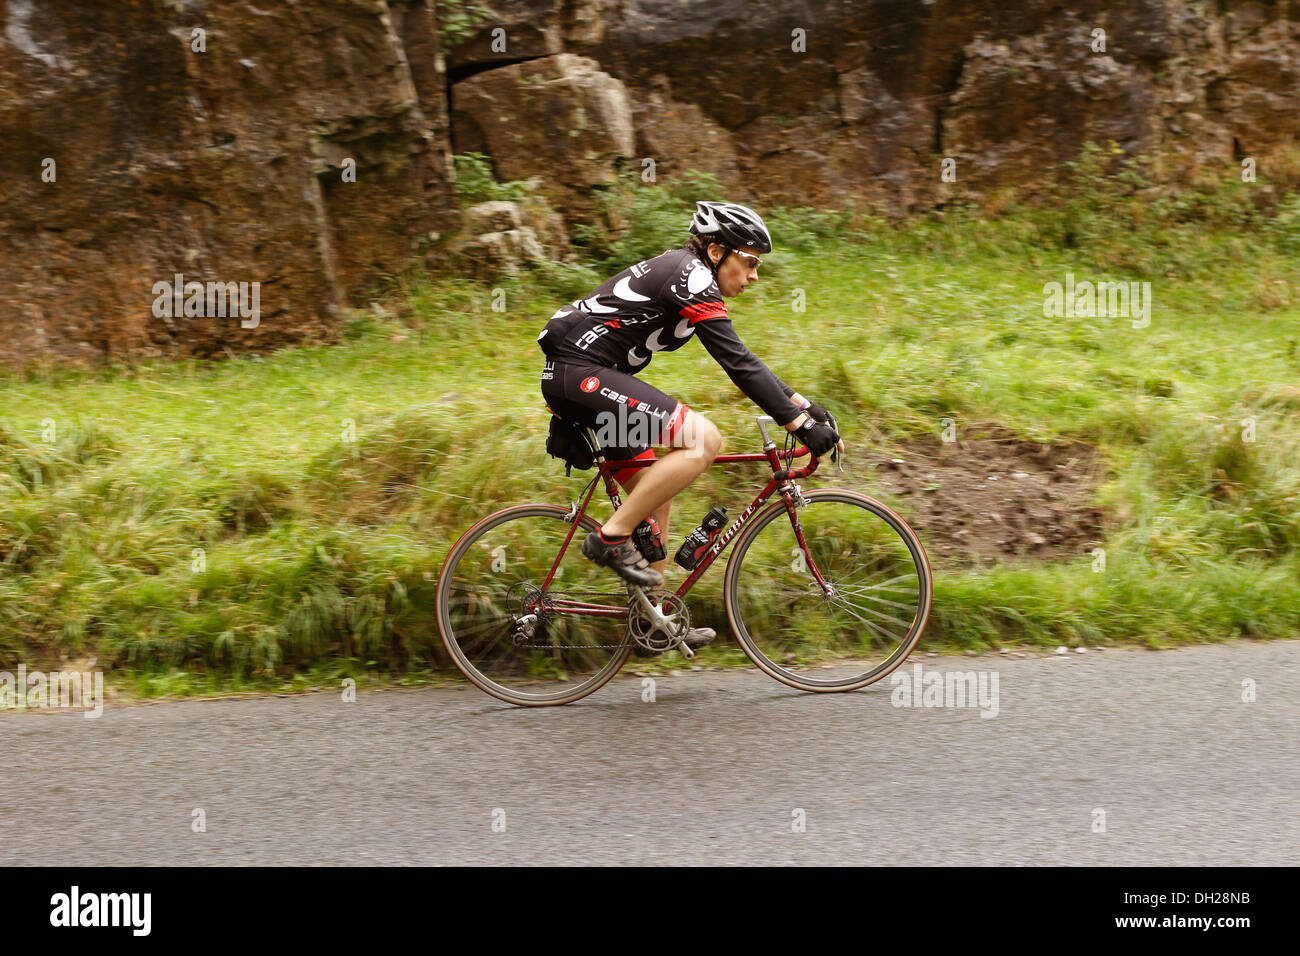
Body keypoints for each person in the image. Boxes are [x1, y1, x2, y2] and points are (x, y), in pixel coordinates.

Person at [538, 200, 843, 649]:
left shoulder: (691, 278)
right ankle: (609, 538)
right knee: (704, 440)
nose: (754, 275)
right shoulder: (691, 276)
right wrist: (796, 422)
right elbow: (736, 363)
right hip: (579, 375)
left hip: (583, 380)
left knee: (654, 495)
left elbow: (743, 359)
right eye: (750, 262)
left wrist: (804, 405)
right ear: (718, 251)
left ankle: (650, 622)